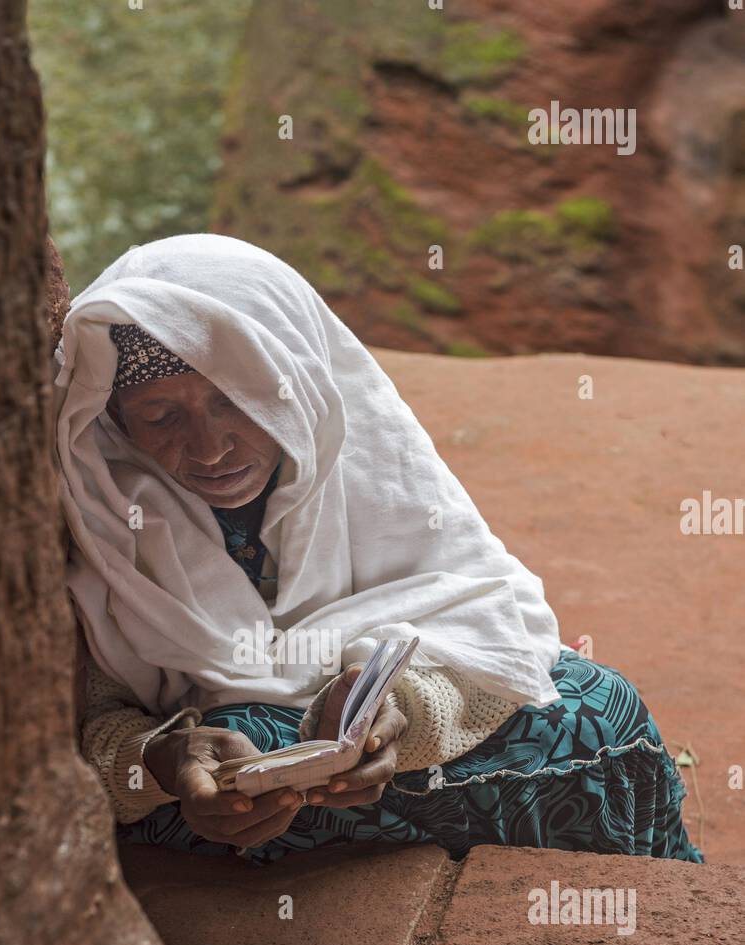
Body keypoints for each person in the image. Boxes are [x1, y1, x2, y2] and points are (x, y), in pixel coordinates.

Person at [54, 234, 702, 866]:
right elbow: (98, 730)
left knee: (602, 703)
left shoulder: (366, 463)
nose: (209, 447)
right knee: (256, 733)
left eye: (235, 403)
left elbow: (489, 628)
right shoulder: (109, 510)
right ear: (115, 421)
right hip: (222, 800)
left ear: (294, 384)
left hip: (382, 746)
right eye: (162, 416)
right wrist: (166, 761)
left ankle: (662, 902)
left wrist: (398, 712)